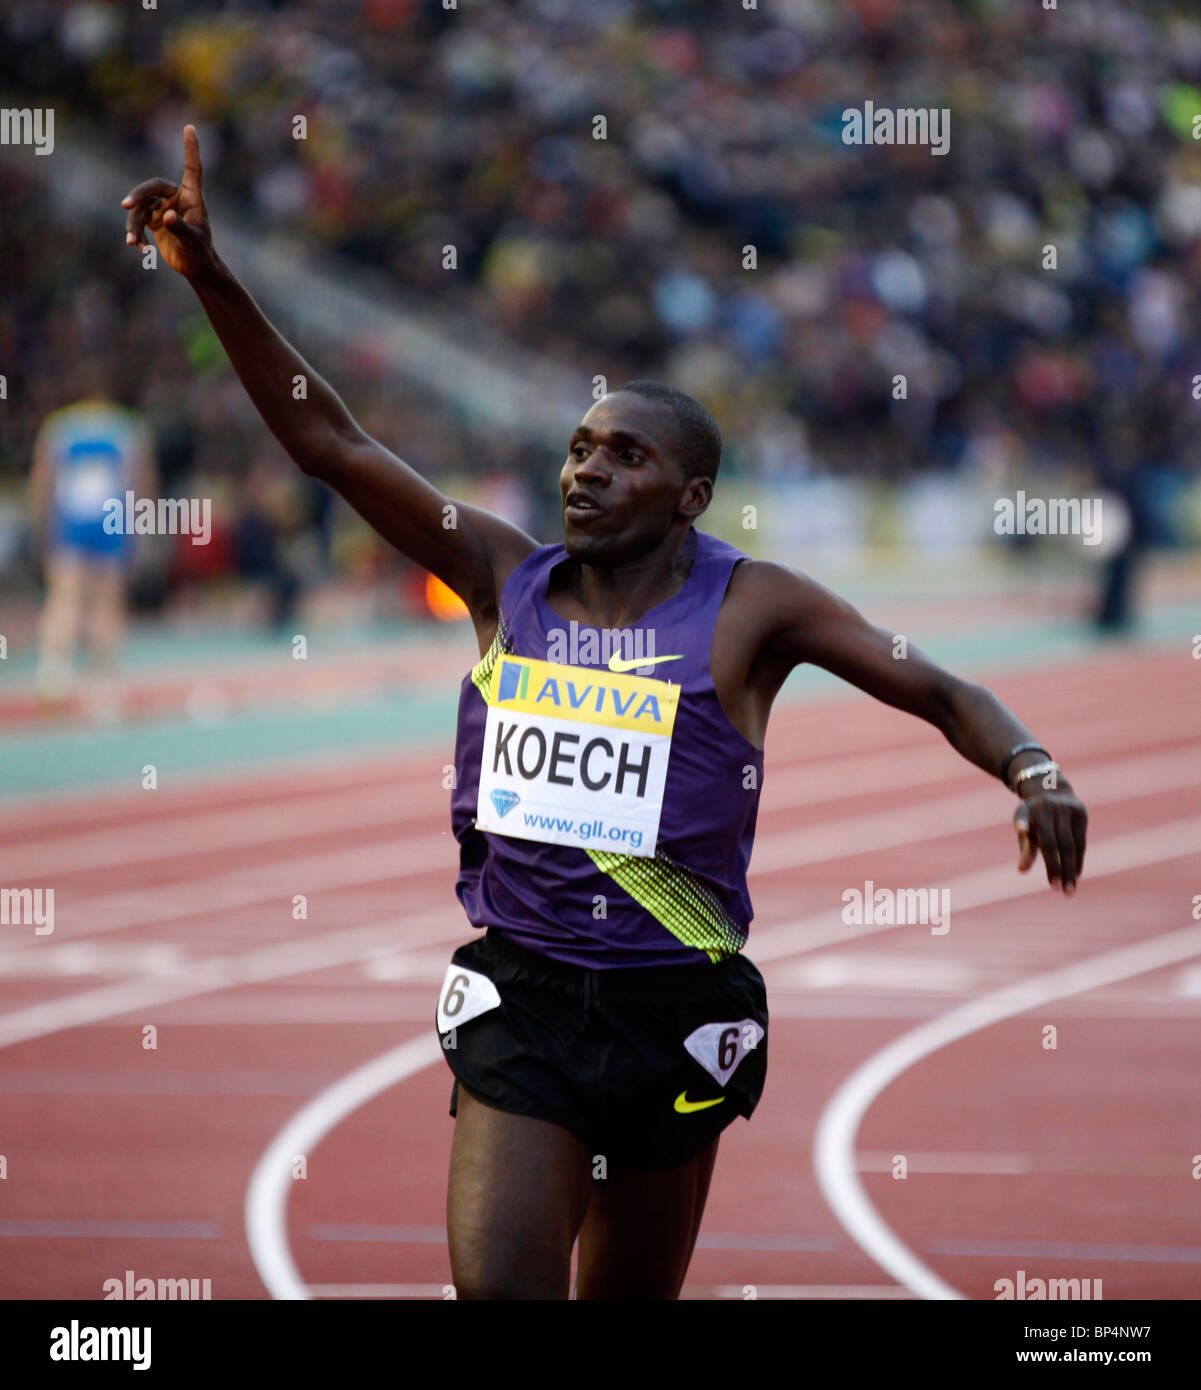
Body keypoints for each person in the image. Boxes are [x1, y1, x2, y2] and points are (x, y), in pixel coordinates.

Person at [122, 126, 1089, 1300]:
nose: (584, 470)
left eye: (623, 457)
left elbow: (937, 687)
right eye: (579, 448)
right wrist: (213, 275)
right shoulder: (499, 572)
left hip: (674, 1006)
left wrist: (1032, 769)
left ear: (689, 496)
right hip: (522, 995)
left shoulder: (751, 609)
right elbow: (328, 439)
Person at [28, 361, 155, 712]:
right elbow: (141, 484)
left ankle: (53, 675)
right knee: (108, 603)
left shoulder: (60, 427)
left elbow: (43, 483)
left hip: (71, 520)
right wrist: (141, 530)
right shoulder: (127, 428)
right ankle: (103, 688)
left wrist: (41, 527)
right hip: (111, 521)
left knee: (63, 597)